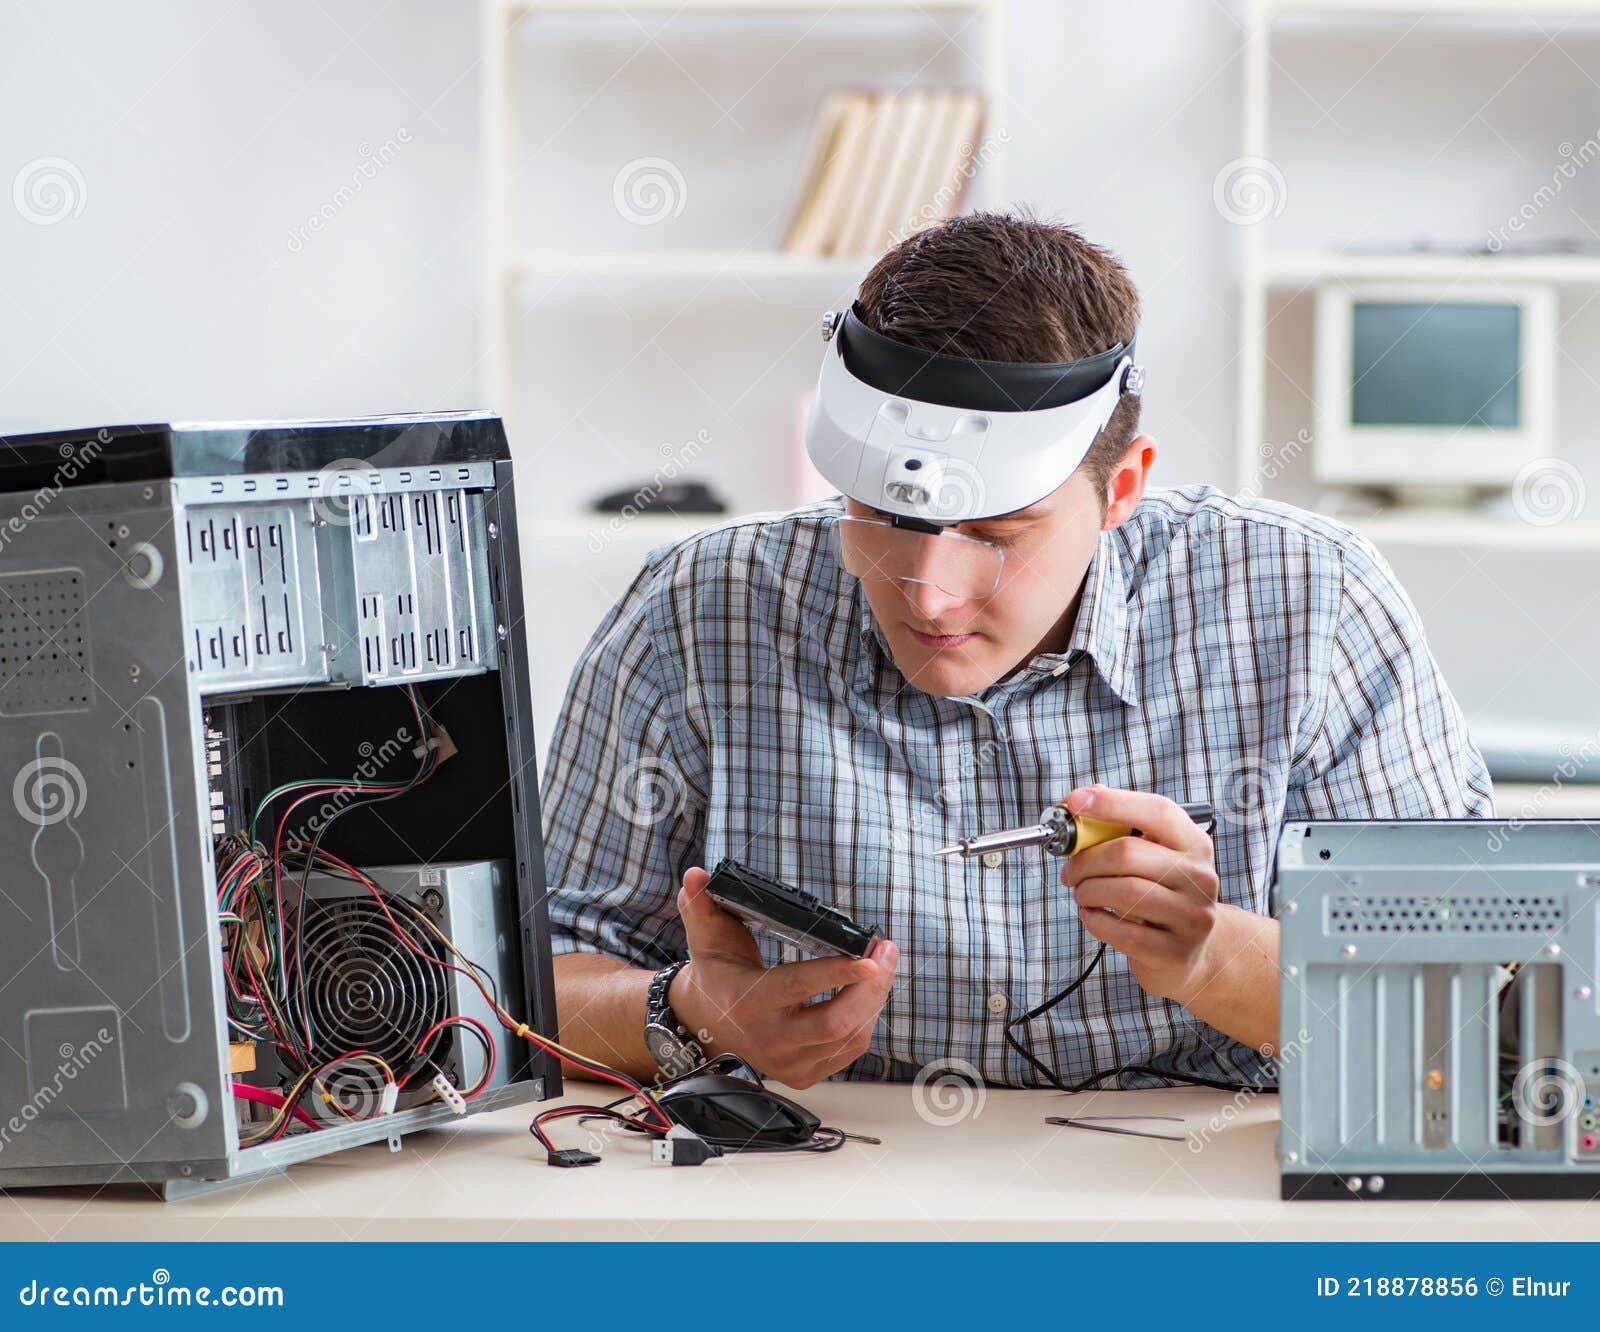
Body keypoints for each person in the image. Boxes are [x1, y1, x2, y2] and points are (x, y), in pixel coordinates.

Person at [540, 211, 1492, 1091]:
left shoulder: (1310, 598)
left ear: (1123, 488)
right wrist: (692, 1016)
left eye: (996, 534)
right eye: (881, 517)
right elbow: (520, 981)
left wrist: (1212, 959)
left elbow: (1468, 1006)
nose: (930, 589)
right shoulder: (699, 609)